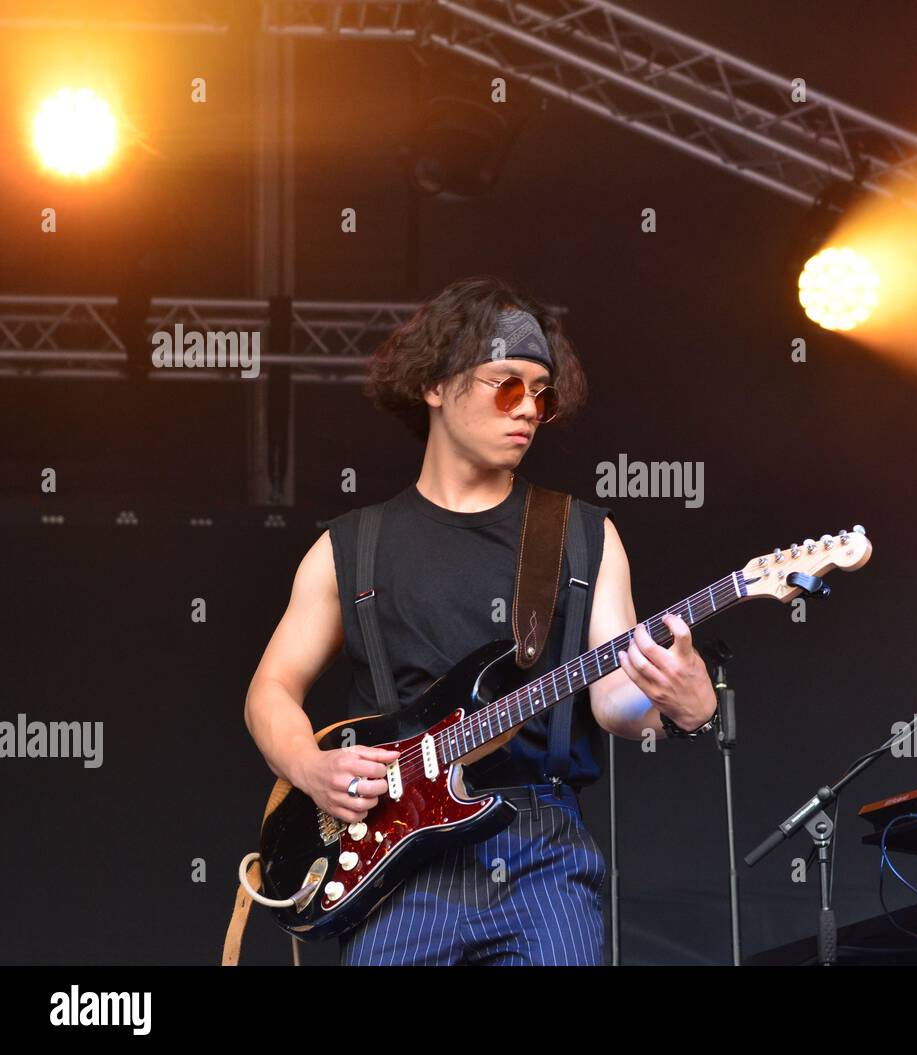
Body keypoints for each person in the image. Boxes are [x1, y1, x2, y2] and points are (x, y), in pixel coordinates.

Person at [243, 276, 719, 965]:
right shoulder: (351, 546)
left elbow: (614, 695)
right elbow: (270, 689)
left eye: (542, 393)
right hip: (395, 860)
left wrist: (683, 705)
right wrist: (309, 766)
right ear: (435, 385)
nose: (528, 407)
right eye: (506, 384)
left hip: (540, 850)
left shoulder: (582, 534)